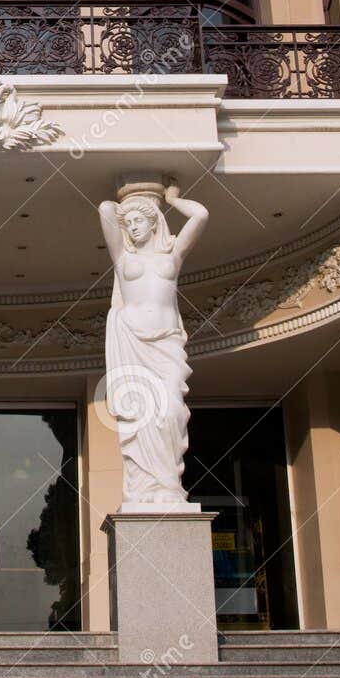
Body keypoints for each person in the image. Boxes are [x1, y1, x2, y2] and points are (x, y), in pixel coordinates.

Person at [98, 181, 209, 509]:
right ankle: (145, 489)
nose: (133, 227)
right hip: (133, 340)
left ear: (154, 222)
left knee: (171, 411)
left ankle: (168, 484)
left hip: (166, 344)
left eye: (139, 221)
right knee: (141, 416)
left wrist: (172, 200)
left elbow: (201, 215)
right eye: (128, 223)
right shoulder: (122, 258)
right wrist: (127, 206)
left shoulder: (171, 254)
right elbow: (105, 209)